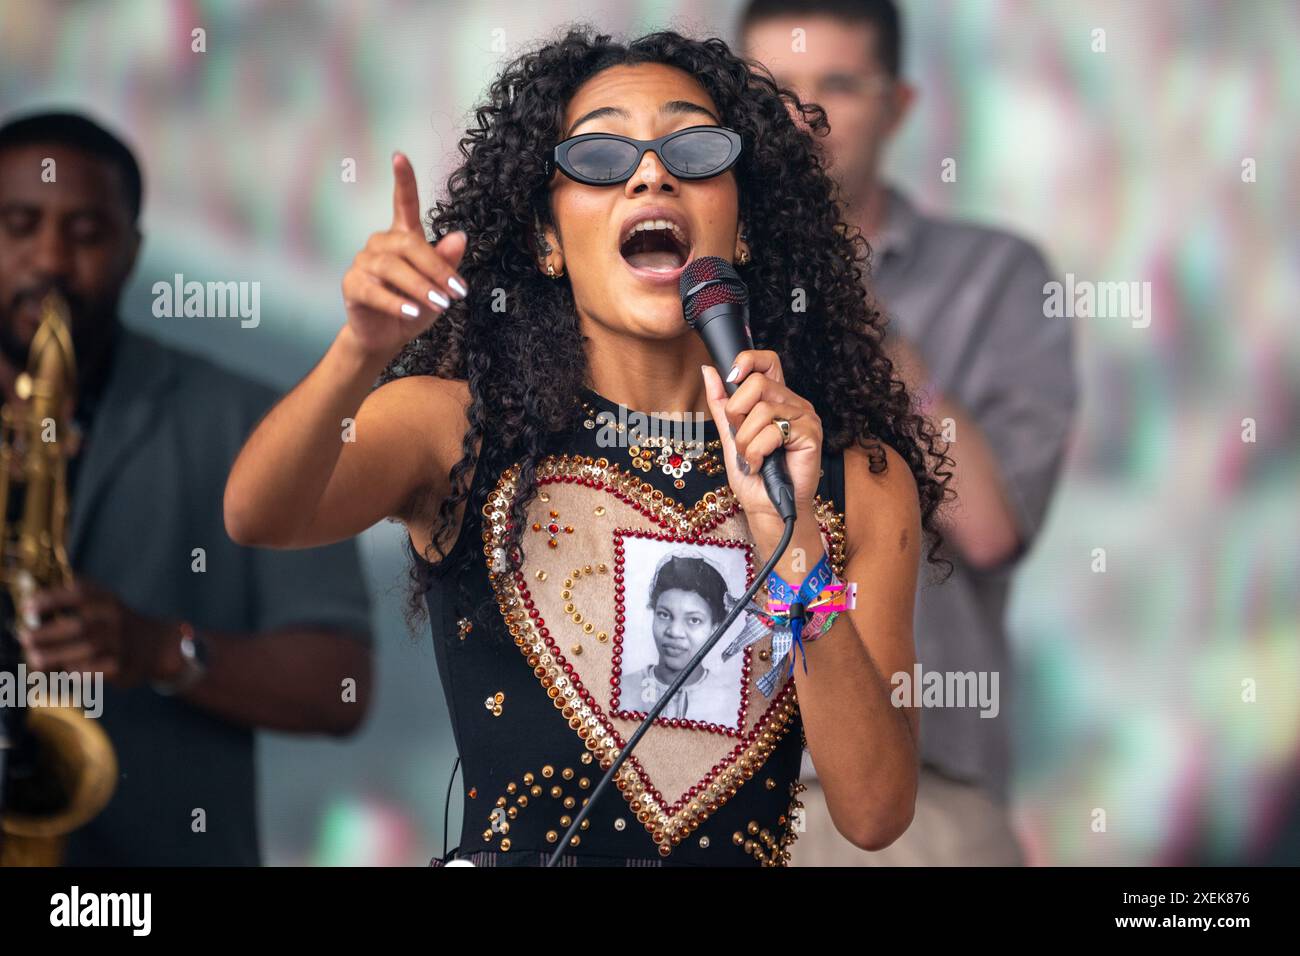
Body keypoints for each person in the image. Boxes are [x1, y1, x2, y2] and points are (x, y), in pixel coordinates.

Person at [224, 26, 951, 867]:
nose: (652, 171)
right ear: (546, 238)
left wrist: (794, 556)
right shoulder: (454, 430)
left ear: (742, 227)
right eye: (601, 156)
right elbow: (257, 514)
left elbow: (875, 811)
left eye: (693, 147)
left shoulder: (853, 479)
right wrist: (359, 352)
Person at [741, 0, 1078, 865]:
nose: (802, 121)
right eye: (773, 92)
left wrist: (850, 306)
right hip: (704, 791)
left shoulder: (995, 278)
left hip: (920, 803)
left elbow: (990, 529)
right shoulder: (688, 279)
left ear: (900, 107)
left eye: (838, 88)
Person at [0, 111, 374, 865]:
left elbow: (341, 685)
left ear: (133, 250)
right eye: (18, 225)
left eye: (86, 232)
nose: (50, 261)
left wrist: (162, 649)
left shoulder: (253, 420)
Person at [629, 552, 740, 727]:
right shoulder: (622, 690)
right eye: (664, 615)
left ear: (715, 627)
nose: (674, 632)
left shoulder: (731, 705)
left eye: (694, 620)